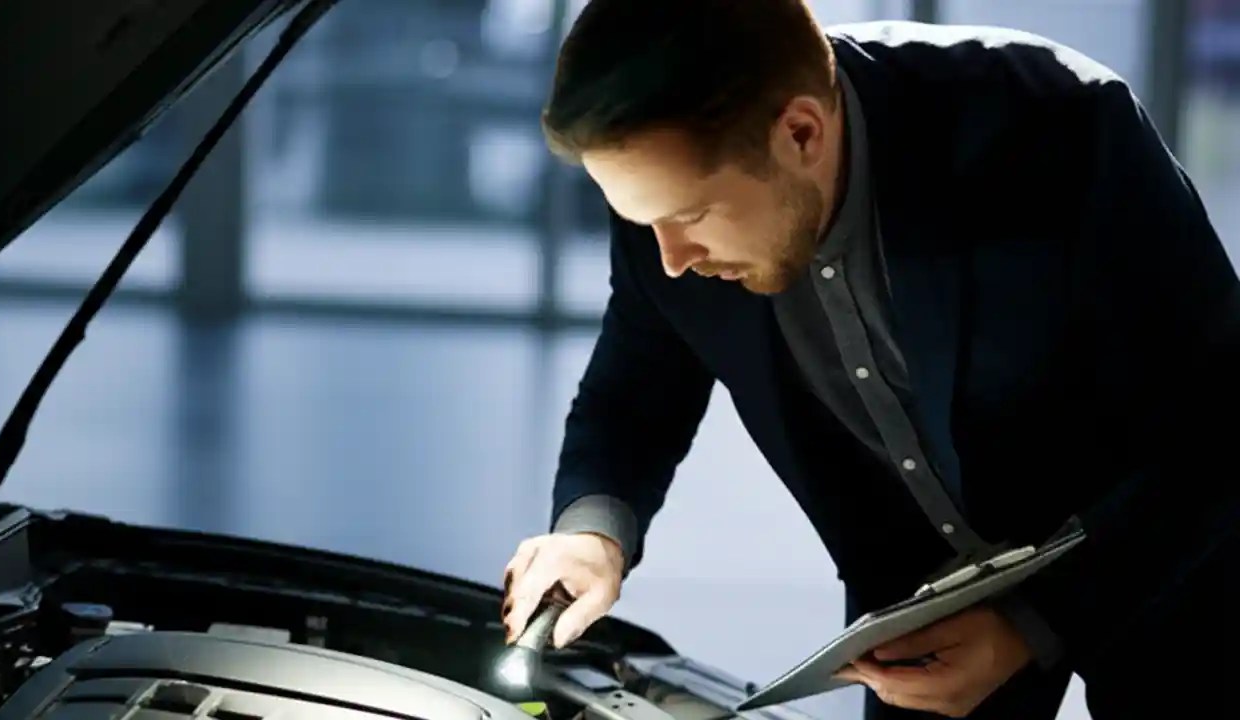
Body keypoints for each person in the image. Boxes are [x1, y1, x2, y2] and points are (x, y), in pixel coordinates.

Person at [501, 2, 1239, 718]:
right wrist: (591, 536)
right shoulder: (669, 194)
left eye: (690, 217)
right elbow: (635, 391)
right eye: (642, 219)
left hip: (1164, 566)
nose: (670, 258)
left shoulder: (1061, 123)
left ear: (800, 132)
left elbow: (1220, 415)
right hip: (919, 615)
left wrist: (1034, 621)